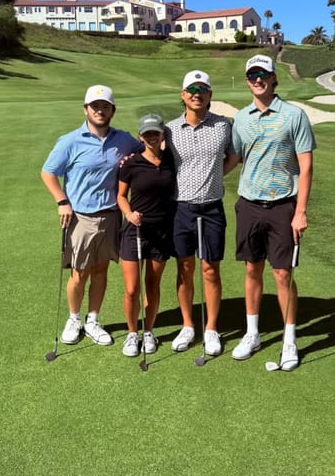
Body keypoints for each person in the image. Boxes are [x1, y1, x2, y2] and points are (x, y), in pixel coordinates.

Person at [230, 55, 316, 371]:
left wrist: (301, 212)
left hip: (284, 206)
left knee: (282, 274)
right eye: (252, 74)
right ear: (247, 79)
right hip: (249, 205)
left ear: (273, 77)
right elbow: (234, 159)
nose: (258, 79)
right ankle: (252, 334)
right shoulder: (240, 119)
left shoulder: (295, 116)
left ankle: (289, 340)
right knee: (252, 270)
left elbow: (306, 167)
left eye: (263, 74)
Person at [40, 85, 143, 346]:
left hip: (110, 215)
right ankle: (74, 318)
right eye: (95, 106)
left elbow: (148, 149)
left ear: (112, 110)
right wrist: (62, 201)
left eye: (105, 106)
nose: (100, 110)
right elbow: (48, 172)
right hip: (80, 217)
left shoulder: (124, 140)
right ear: (85, 109)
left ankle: (93, 319)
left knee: (101, 270)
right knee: (79, 272)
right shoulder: (70, 140)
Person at [164, 70, 240, 356]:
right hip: (181, 208)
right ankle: (188, 326)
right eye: (191, 89)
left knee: (210, 269)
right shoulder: (170, 129)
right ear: (183, 95)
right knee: (184, 268)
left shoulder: (223, 125)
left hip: (211, 208)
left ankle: (210, 328)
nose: (197, 93)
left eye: (203, 89)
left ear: (210, 95)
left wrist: (219, 175)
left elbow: (234, 155)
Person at [117, 113, 176, 357]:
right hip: (135, 229)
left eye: (156, 133)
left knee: (152, 285)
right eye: (147, 133)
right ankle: (133, 333)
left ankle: (148, 331)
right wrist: (129, 213)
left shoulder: (171, 160)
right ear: (140, 136)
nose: (152, 137)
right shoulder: (131, 164)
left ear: (163, 135)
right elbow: (121, 196)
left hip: (161, 230)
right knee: (132, 288)